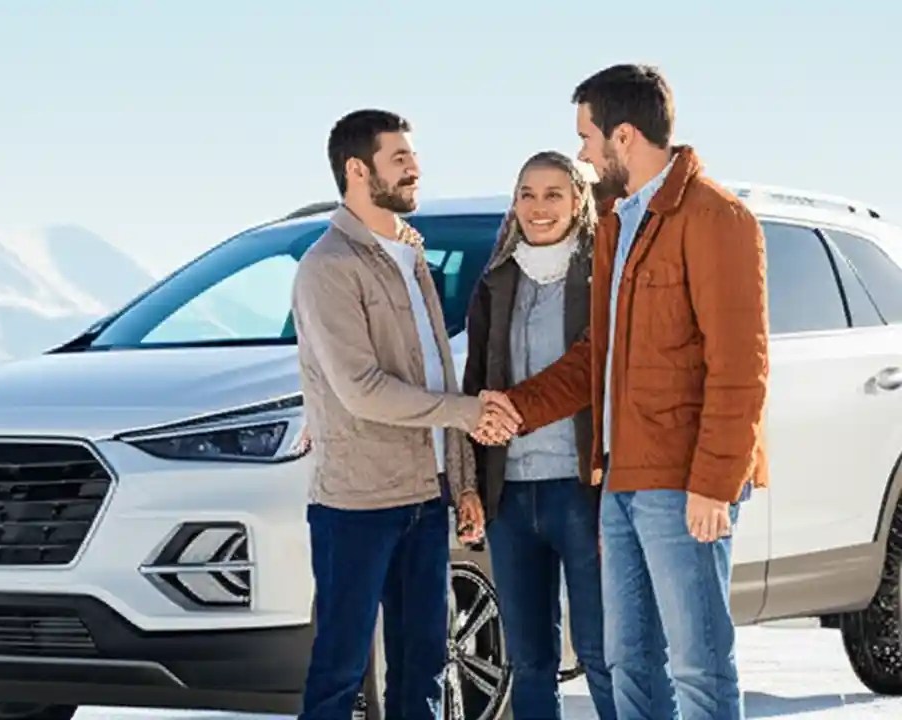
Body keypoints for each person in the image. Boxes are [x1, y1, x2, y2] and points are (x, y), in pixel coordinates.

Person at [476, 64, 769, 720]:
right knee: (628, 660)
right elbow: (594, 361)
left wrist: (716, 482)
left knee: (699, 663)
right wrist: (517, 408)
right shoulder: (617, 224)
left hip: (685, 483)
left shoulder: (716, 219)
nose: (582, 153)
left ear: (624, 137)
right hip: (621, 482)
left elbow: (740, 366)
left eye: (586, 137)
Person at [290, 108, 492, 720]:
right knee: (340, 671)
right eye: (399, 158)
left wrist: (461, 483)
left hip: (423, 500)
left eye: (413, 157)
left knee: (425, 666)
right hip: (355, 505)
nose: (415, 169)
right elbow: (363, 390)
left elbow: (435, 373)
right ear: (357, 169)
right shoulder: (327, 269)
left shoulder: (410, 257)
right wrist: (466, 414)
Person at [462, 150, 616, 720]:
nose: (538, 206)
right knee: (528, 661)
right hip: (510, 498)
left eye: (554, 193)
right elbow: (476, 383)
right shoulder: (497, 282)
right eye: (527, 193)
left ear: (579, 202)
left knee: (603, 653)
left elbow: (599, 376)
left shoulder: (600, 277)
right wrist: (471, 483)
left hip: (579, 492)